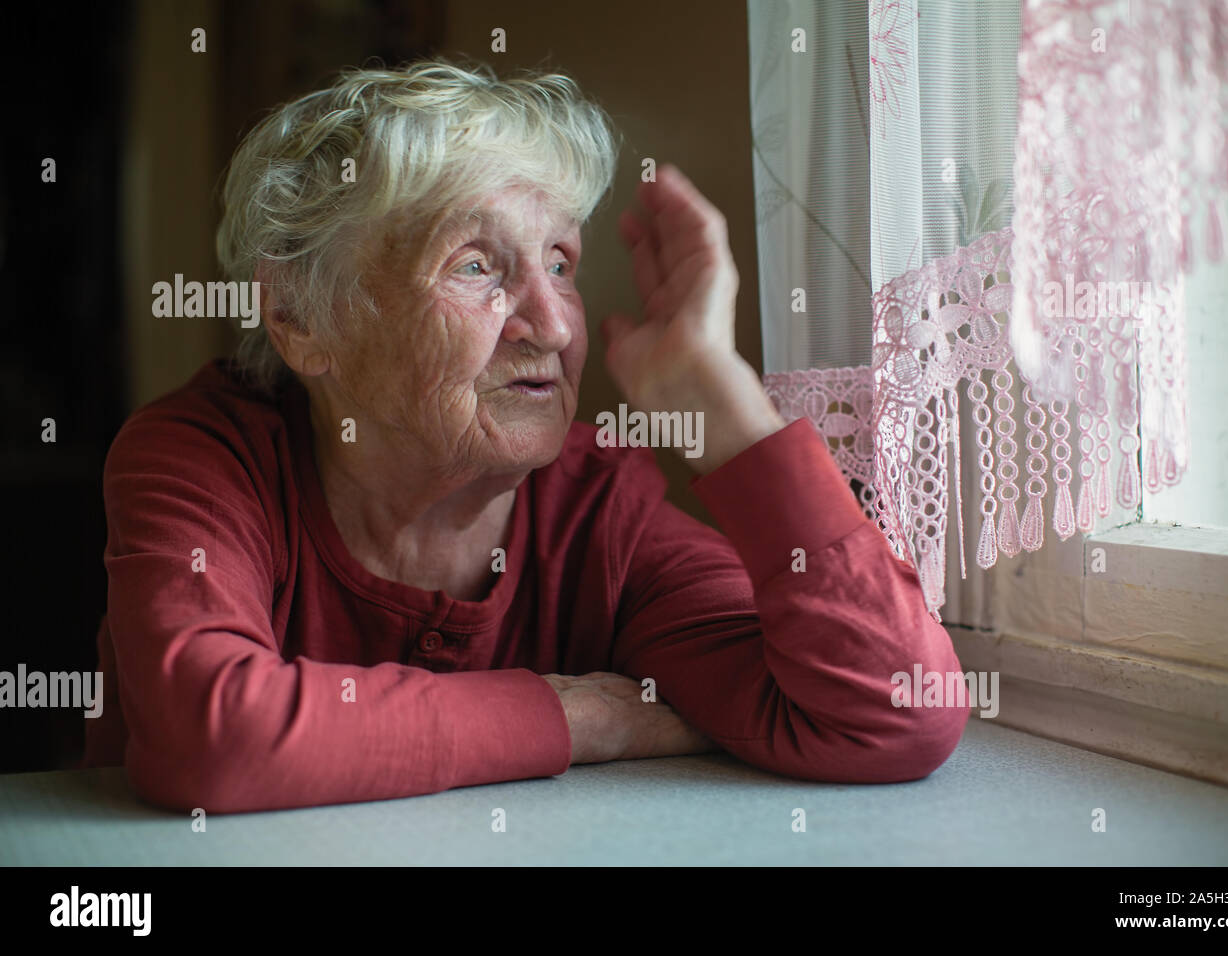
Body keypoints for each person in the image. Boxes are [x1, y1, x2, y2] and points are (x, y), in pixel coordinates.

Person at [84, 58, 967, 813]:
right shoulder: (204, 461)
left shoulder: (598, 507)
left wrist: (725, 408)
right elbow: (211, 737)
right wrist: (578, 718)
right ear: (300, 318)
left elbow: (896, 711)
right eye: (477, 265)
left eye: (559, 263)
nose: (549, 323)